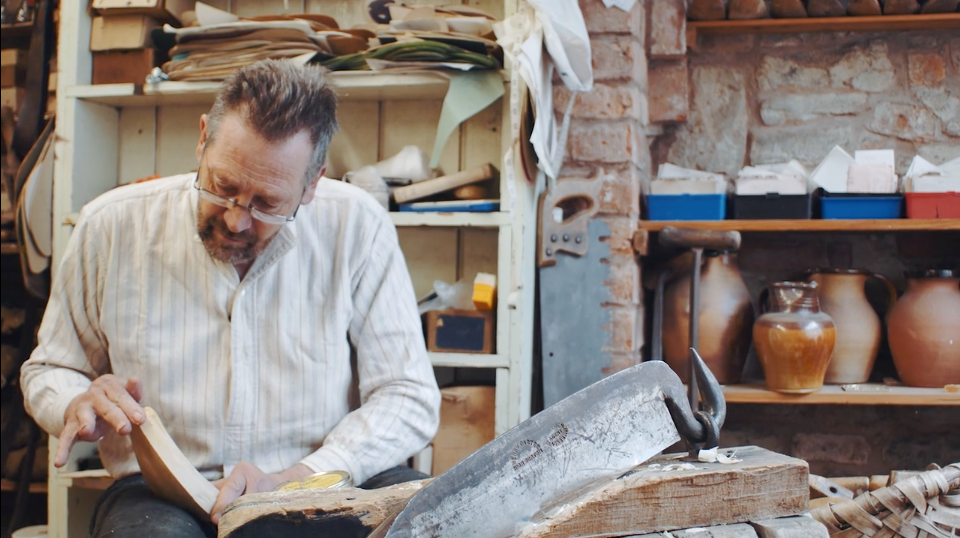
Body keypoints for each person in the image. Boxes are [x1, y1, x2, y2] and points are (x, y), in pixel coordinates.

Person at [20, 59, 441, 537]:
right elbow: (48, 368)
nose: (237, 220)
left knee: (435, 524)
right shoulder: (111, 225)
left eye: (267, 203)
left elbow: (408, 396)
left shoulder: (358, 227)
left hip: (317, 481)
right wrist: (76, 399)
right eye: (224, 187)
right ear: (203, 139)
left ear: (312, 184)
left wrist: (298, 480)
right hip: (164, 492)